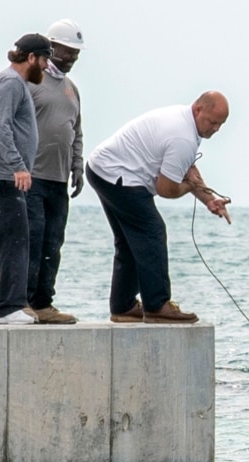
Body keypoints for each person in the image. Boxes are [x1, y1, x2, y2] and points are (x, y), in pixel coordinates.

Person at [86, 91, 232, 324]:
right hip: (117, 175)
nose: (216, 128)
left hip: (101, 168)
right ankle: (157, 305)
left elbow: (188, 168)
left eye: (220, 124)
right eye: (213, 122)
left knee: (129, 241)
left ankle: (123, 307)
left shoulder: (186, 122)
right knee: (152, 231)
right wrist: (186, 188)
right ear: (198, 109)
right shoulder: (182, 136)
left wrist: (209, 200)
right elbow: (166, 189)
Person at [0, 34, 54, 325]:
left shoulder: (14, 83)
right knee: (16, 240)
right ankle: (9, 307)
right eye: (43, 59)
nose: (45, 66)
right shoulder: (10, 83)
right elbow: (0, 125)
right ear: (31, 57)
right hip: (1, 176)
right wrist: (18, 165)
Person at [24, 19, 85, 324]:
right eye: (67, 51)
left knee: (52, 242)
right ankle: (22, 301)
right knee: (32, 238)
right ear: (51, 47)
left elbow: (76, 131)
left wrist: (78, 166)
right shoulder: (31, 82)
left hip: (59, 179)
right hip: (31, 176)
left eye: (76, 53)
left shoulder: (71, 89)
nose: (72, 57)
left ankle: (44, 303)